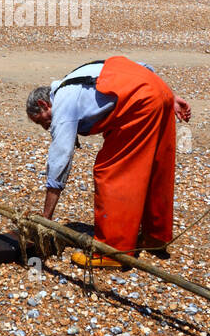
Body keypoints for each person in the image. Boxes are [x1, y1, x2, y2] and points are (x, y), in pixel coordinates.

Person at [26, 57, 191, 268]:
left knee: (111, 171)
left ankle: (113, 251)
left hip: (141, 103)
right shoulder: (77, 78)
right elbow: (141, 68)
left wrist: (46, 218)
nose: (46, 128)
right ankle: (154, 238)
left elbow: (60, 160)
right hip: (156, 91)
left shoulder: (63, 103)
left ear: (43, 104)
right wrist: (167, 96)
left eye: (43, 121)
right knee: (154, 167)